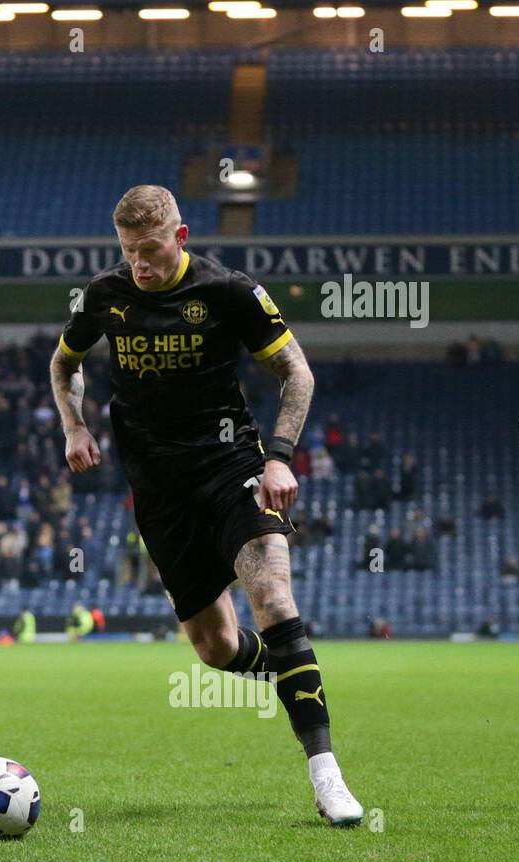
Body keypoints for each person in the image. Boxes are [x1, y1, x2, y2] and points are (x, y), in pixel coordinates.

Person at [50, 184, 363, 825]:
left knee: (274, 597)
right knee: (215, 648)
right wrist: (73, 425)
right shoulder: (104, 297)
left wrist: (279, 454)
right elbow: (64, 363)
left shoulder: (229, 292)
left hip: (233, 469)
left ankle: (326, 774)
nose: (141, 264)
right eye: (130, 251)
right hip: (159, 492)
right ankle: (293, 671)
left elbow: (296, 372)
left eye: (152, 249)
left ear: (182, 237)